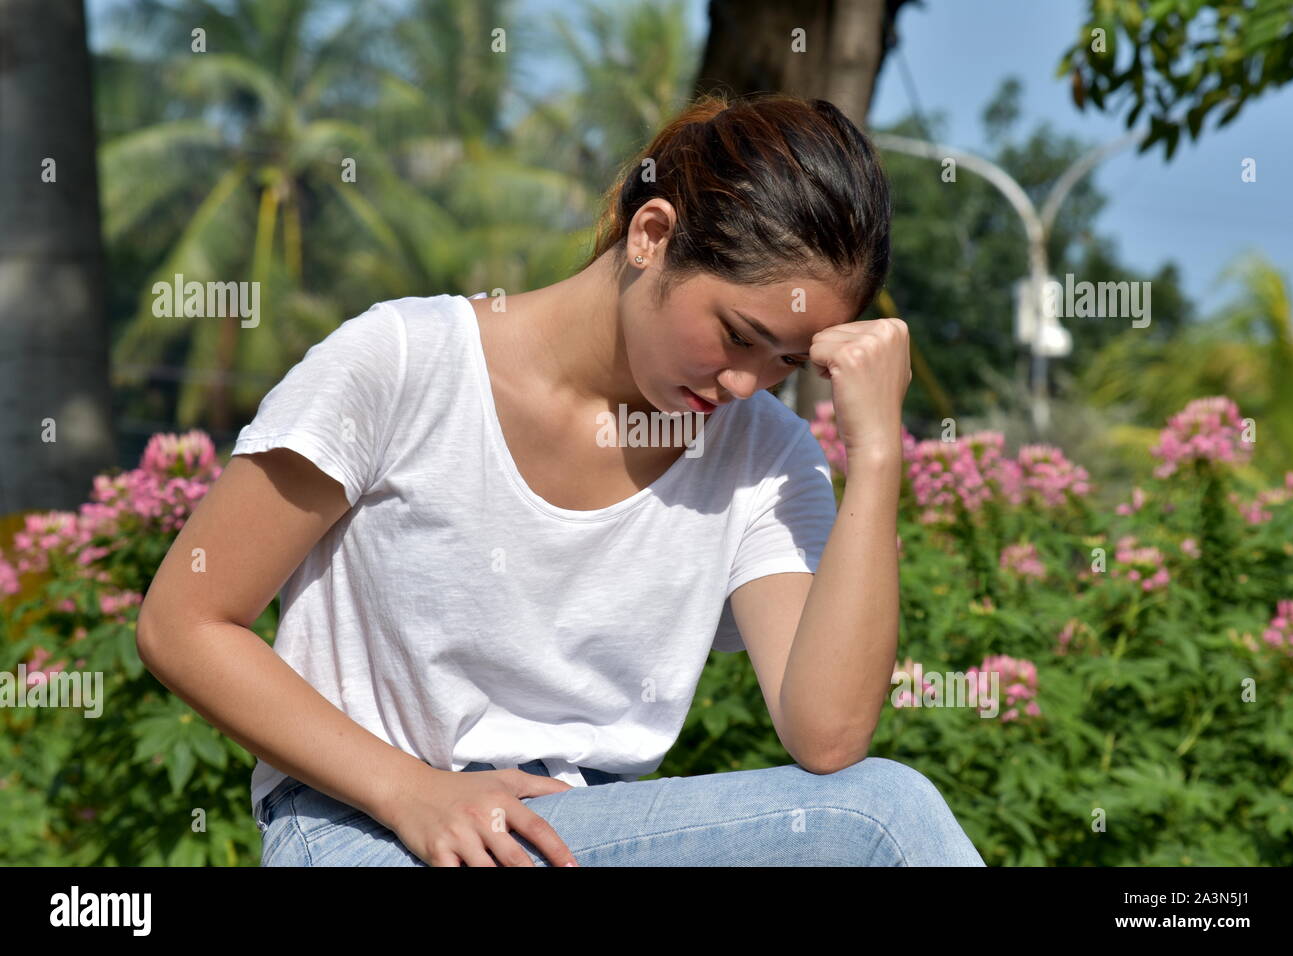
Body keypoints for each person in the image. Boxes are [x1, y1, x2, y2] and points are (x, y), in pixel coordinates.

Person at [136, 91, 986, 866]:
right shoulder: (402, 364)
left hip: (585, 833)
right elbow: (185, 622)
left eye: (788, 362)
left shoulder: (764, 455)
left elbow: (828, 738)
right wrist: (411, 791)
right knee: (883, 820)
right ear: (651, 235)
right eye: (737, 334)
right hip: (364, 826)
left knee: (868, 809)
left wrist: (875, 459)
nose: (745, 383)